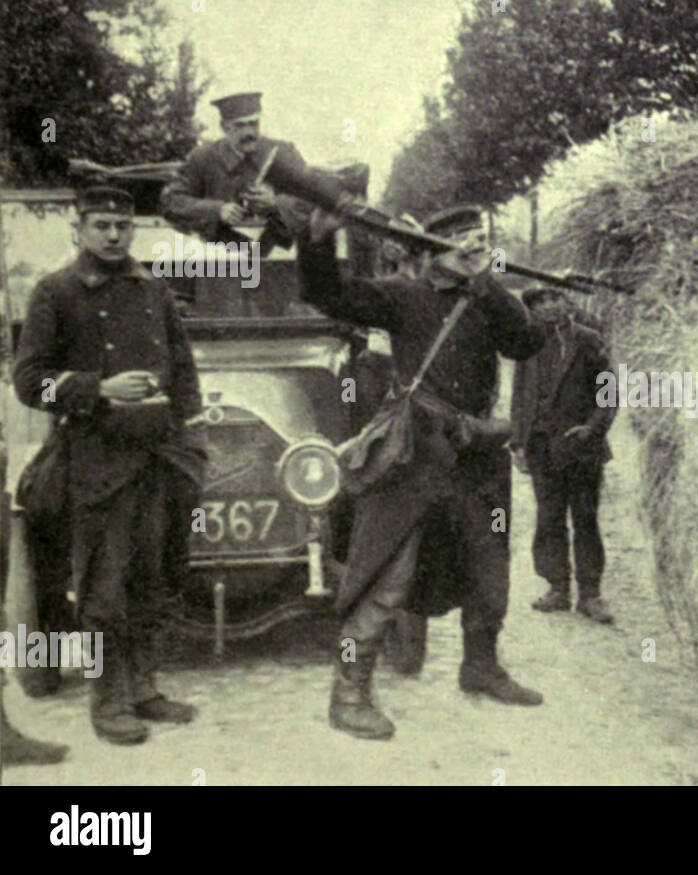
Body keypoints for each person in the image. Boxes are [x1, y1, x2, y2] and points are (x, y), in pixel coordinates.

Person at [297, 204, 546, 741]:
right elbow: (329, 295)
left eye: (481, 239)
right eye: (463, 241)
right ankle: (349, 691)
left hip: (477, 457)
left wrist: (488, 284)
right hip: (415, 456)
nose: (475, 248)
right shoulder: (402, 295)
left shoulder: (485, 300)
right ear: (435, 249)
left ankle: (480, 666)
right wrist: (316, 243)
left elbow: (526, 342)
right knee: (385, 576)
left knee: (489, 569)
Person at [13, 187, 205, 746]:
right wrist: (99, 389)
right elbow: (30, 381)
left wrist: (192, 441)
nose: (114, 235)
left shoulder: (153, 291)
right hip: (96, 463)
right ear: (80, 229)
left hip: (157, 461)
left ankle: (143, 688)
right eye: (102, 225)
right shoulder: (56, 292)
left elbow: (185, 370)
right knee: (102, 591)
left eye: (123, 225)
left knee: (153, 581)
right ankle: (108, 700)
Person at [510, 289, 617, 623]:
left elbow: (608, 392)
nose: (549, 306)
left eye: (554, 298)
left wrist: (591, 428)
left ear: (568, 303)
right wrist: (517, 442)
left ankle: (590, 594)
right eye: (539, 302)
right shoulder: (526, 343)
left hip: (581, 447)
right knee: (548, 518)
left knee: (585, 518)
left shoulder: (589, 340)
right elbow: (520, 395)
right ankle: (557, 588)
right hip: (542, 446)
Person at [160, 91, 308, 246]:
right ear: (225, 127)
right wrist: (217, 210)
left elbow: (316, 201)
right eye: (240, 125)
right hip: (219, 258)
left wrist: (276, 203)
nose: (249, 132)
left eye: (253, 123)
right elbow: (170, 201)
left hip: (278, 257)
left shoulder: (284, 154)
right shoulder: (203, 158)